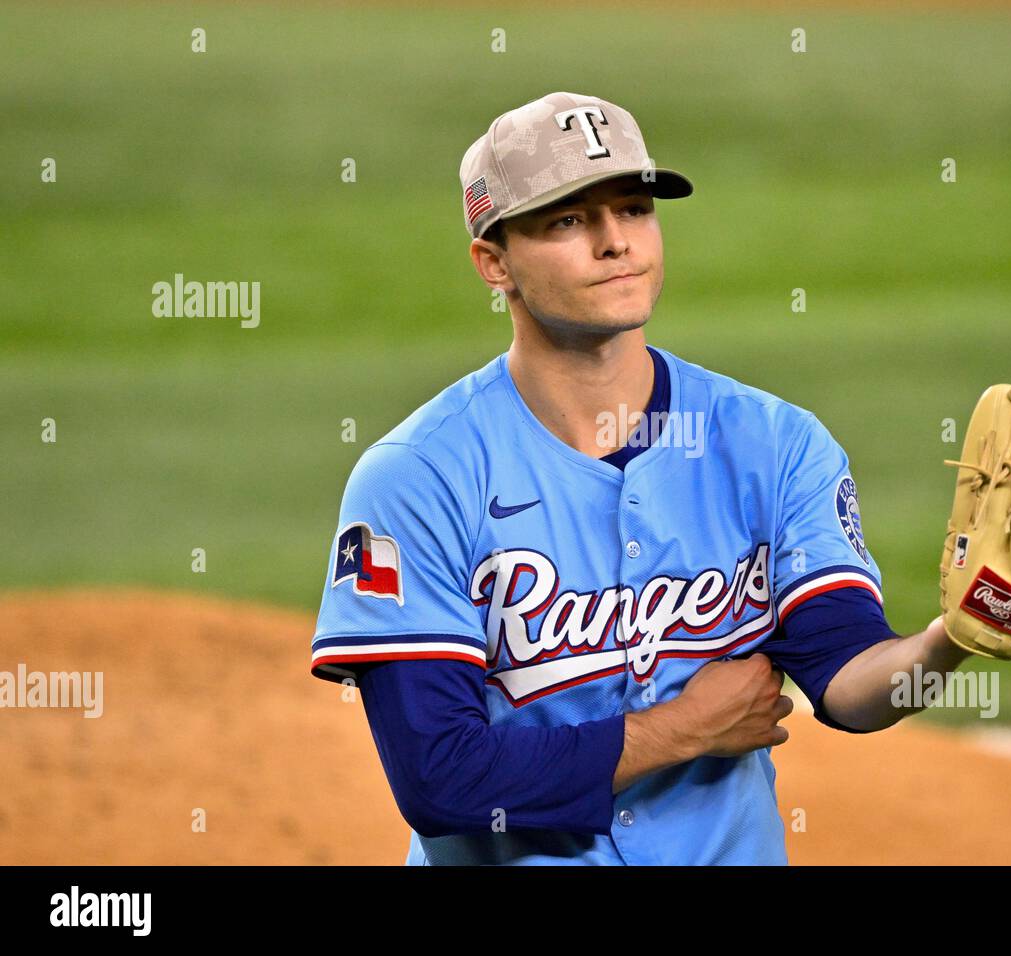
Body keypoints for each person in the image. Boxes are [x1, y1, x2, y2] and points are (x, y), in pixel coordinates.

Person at [310, 91, 971, 865]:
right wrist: (680, 731)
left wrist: (950, 644)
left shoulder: (775, 443)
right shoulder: (417, 478)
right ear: (495, 263)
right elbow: (441, 780)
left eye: (633, 209)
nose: (614, 242)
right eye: (566, 220)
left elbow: (852, 686)